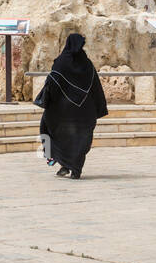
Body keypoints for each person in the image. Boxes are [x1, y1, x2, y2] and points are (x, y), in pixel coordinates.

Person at [35, 31, 108, 179]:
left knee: (48, 129)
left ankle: (61, 162)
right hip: (84, 112)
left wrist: (46, 100)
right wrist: (98, 108)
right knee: (80, 139)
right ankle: (75, 168)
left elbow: (51, 84)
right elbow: (96, 88)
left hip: (62, 111)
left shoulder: (61, 62)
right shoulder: (87, 64)